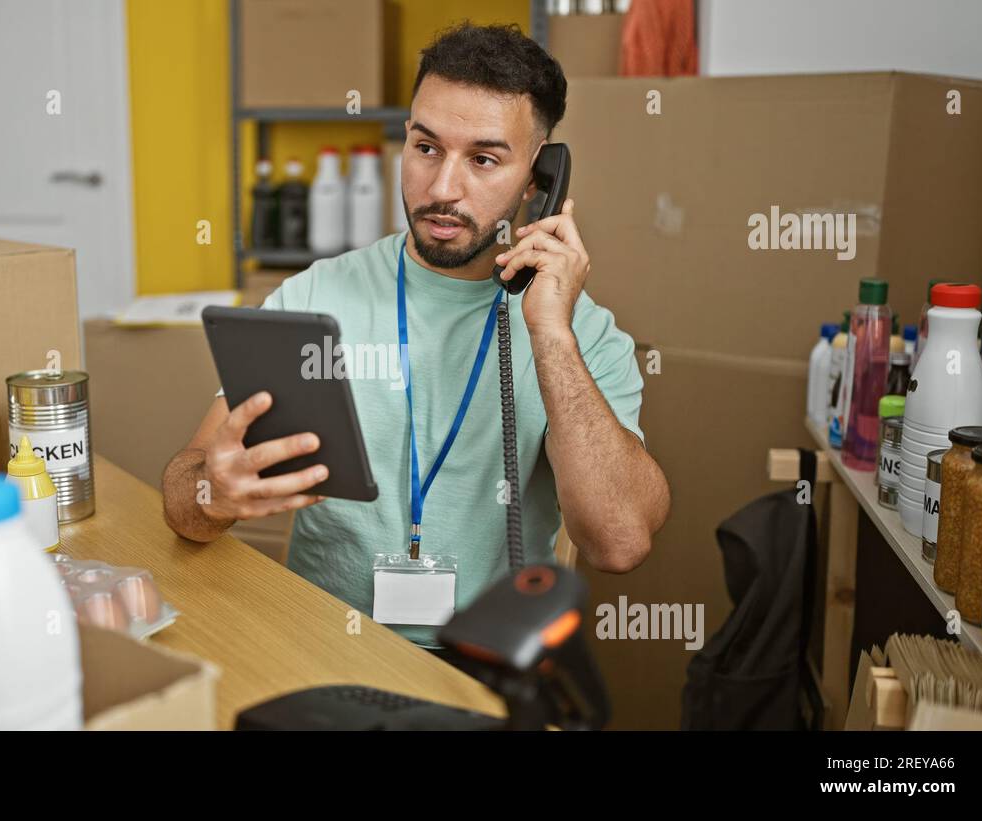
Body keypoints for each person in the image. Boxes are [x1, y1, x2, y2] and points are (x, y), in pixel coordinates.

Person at [163, 22, 670, 655]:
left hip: (486, 660)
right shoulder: (314, 297)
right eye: (426, 148)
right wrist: (214, 495)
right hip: (320, 648)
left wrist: (549, 334)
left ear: (541, 181)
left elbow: (620, 544)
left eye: (483, 159)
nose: (441, 189)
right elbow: (184, 496)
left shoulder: (582, 334)